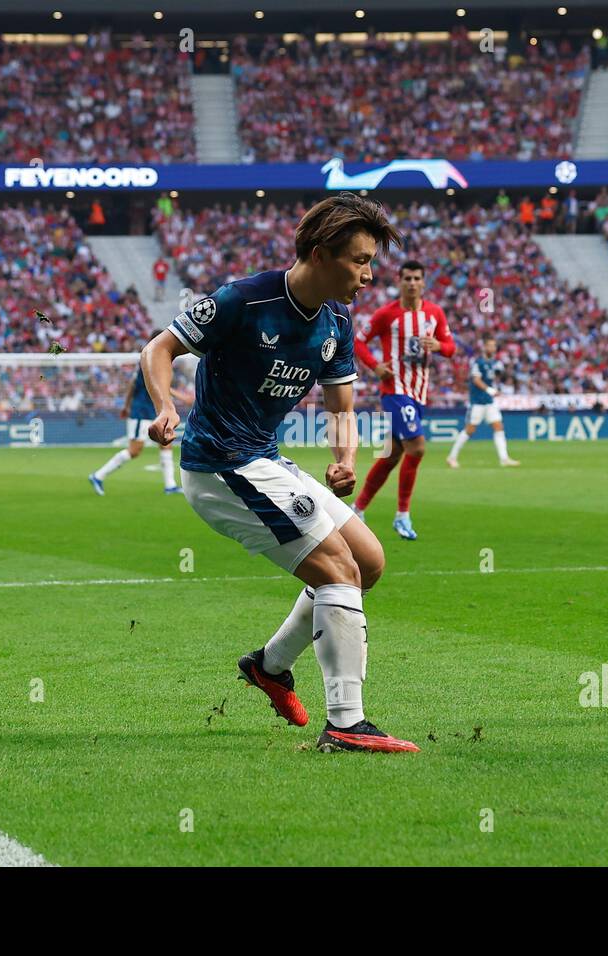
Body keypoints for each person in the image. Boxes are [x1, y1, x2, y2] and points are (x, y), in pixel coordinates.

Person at [140, 193, 419, 753]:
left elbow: (341, 408)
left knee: (368, 562)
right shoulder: (243, 300)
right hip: (219, 464)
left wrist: (346, 460)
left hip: (263, 458)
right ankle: (345, 722)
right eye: (360, 261)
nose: (369, 275)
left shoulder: (337, 319)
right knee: (338, 570)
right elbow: (159, 347)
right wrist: (165, 405)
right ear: (320, 254)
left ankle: (269, 667)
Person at [352, 260, 456, 540]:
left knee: (392, 455)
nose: (411, 283)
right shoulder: (386, 314)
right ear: (399, 281)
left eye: (416, 278)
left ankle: (358, 509)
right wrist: (375, 366)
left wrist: (438, 345)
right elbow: (358, 341)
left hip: (418, 394)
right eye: (407, 278)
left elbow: (451, 348)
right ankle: (402, 516)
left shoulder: (434, 314)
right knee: (418, 448)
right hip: (395, 392)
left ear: (423, 282)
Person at [88, 365, 187, 495]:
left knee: (166, 444)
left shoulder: (146, 362)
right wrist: (183, 397)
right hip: (141, 414)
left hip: (154, 413)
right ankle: (98, 476)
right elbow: (158, 386)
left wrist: (126, 406)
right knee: (134, 451)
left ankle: (170, 486)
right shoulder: (152, 363)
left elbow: (133, 385)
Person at [445, 336, 519, 468]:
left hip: (489, 402)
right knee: (470, 430)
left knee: (498, 427)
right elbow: (476, 380)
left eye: (494, 345)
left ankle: (504, 458)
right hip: (477, 402)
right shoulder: (478, 362)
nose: (493, 348)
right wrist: (490, 390)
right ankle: (452, 457)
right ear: (484, 347)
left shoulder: (494, 363)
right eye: (490, 345)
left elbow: (496, 376)